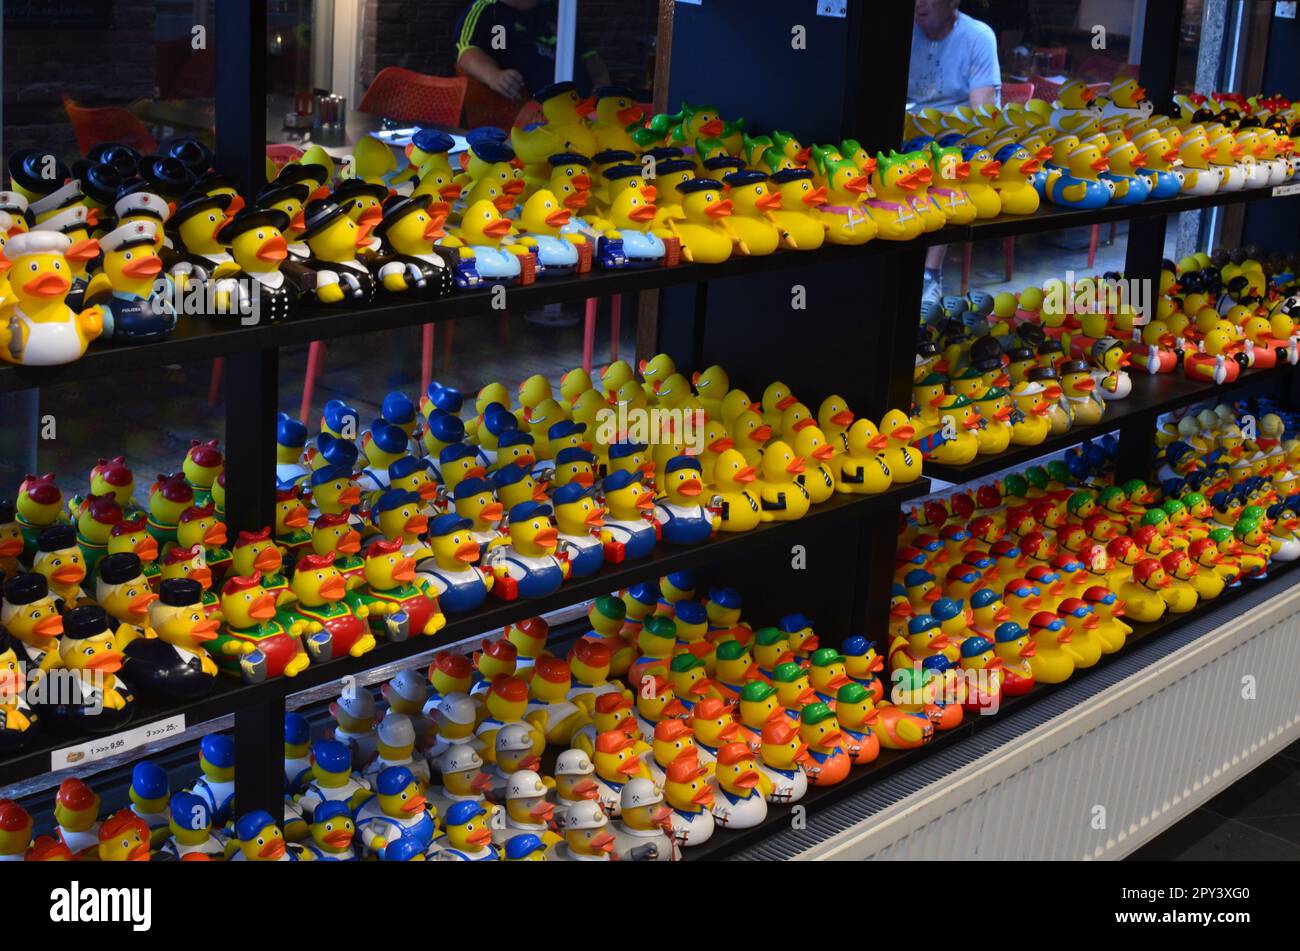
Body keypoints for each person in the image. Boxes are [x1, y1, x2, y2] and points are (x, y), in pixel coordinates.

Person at [907, 0, 1002, 304]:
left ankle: (929, 274)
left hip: (953, 136)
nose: (920, 3)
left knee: (947, 164)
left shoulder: (977, 36)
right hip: (907, 133)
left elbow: (984, 112)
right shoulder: (900, 32)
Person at [455, 0, 612, 103]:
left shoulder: (552, 12)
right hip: (532, 120)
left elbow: (590, 57)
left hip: (586, 109)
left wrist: (601, 87)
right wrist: (494, 76)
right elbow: (467, 52)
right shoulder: (489, 9)